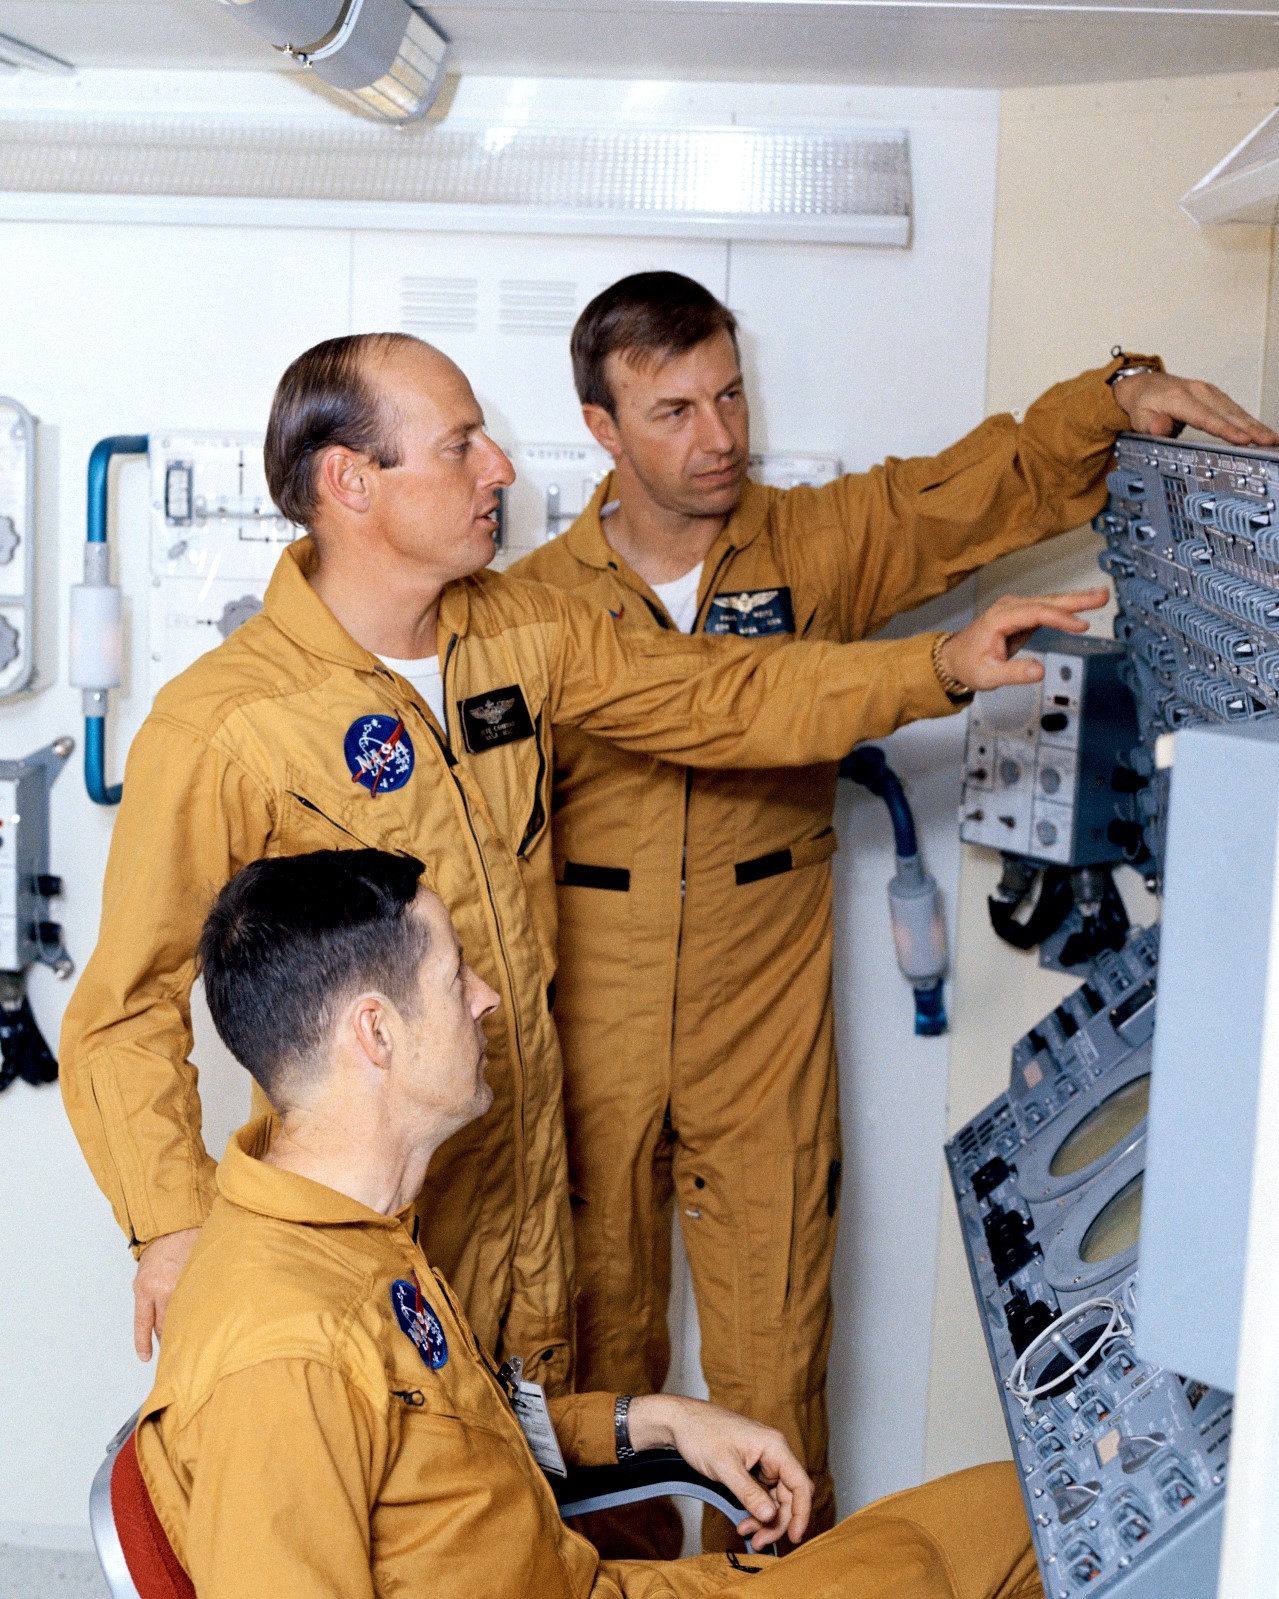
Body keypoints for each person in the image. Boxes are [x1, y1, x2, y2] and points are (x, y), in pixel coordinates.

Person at [60, 330, 1094, 1392]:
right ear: (349, 481)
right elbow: (125, 1008)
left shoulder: (521, 634)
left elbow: (717, 696)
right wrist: (172, 1229)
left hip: (534, 1164)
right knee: (407, 1491)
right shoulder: (227, 726)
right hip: (375, 1199)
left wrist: (936, 666)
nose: (499, 469)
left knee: (567, 1471)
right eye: (461, 446)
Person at [512, 271, 1279, 1551]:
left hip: (758, 1022)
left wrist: (1114, 392)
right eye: (672, 412)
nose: (716, 439)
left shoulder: (809, 544)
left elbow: (978, 489)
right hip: (584, 1015)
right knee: (593, 1362)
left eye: (729, 396)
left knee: (772, 1345)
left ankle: (780, 1589)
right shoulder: (532, 604)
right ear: (600, 426)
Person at [135, 845, 1044, 1599]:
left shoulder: (352, 1231)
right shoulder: (282, 1352)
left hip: (589, 1583)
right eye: (455, 975)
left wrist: (655, 1421)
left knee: (1035, 1510)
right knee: (1024, 1550)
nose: (486, 997)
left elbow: (458, 1441)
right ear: (375, 1034)